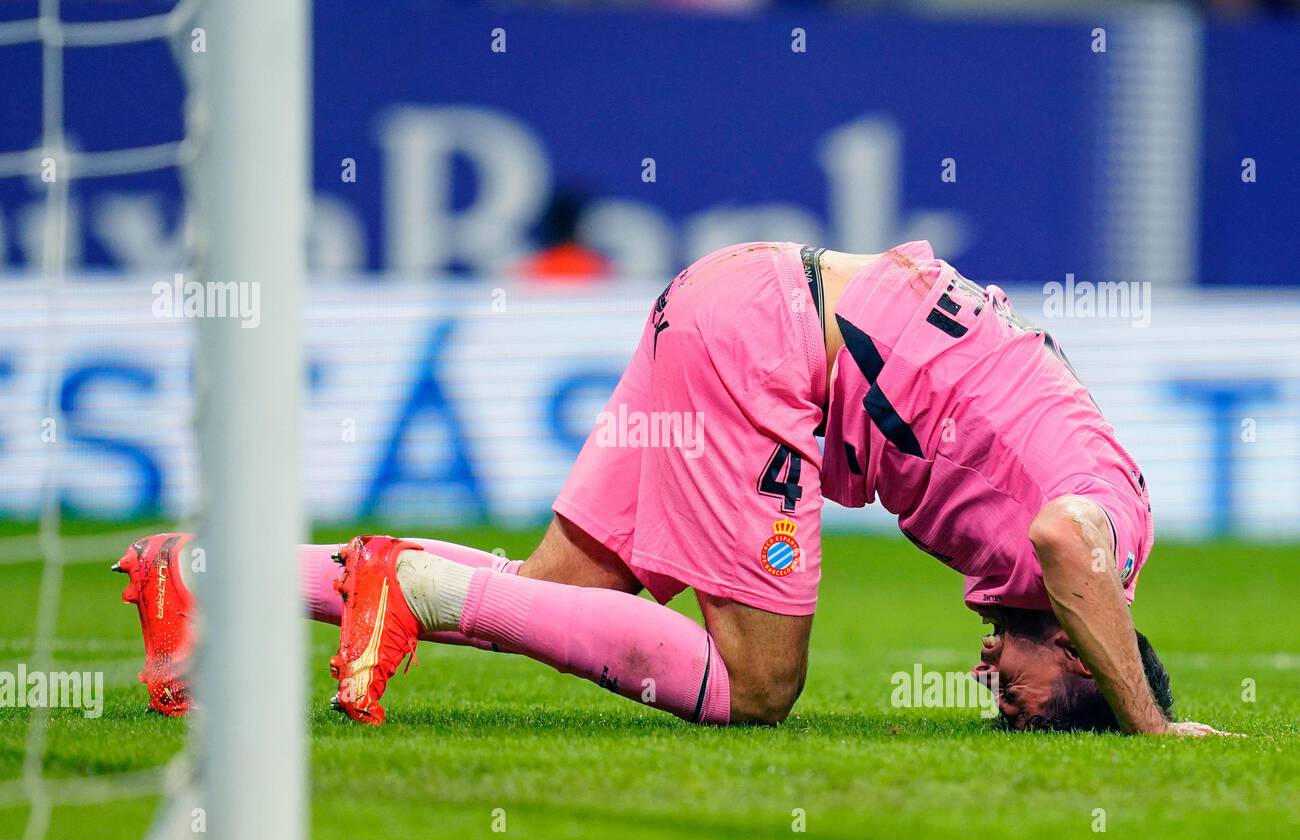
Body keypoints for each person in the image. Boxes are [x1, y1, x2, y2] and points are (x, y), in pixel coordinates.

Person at [116, 241, 1234, 735]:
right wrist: (1150, 724)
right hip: (773, 342)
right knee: (757, 687)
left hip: (736, 299)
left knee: (557, 595)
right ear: (1088, 649)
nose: (989, 670)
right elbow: (1064, 536)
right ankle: (406, 581)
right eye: (1024, 685)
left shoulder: (1068, 460)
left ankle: (208, 570)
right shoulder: (1110, 527)